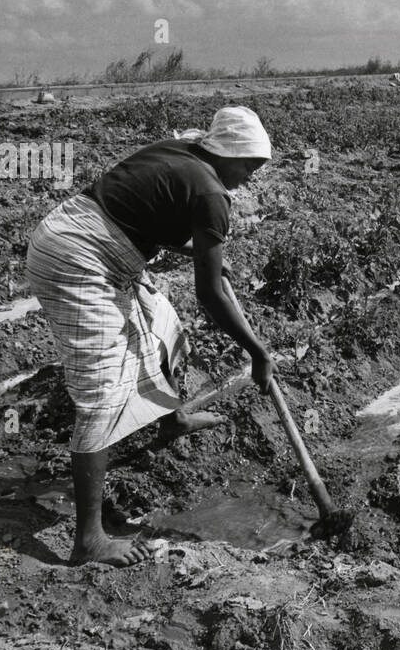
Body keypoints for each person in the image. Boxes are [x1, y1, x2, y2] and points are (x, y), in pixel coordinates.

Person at [25, 106, 276, 566]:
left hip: (91, 239)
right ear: (227, 153)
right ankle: (89, 541)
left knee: (163, 327)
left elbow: (146, 215)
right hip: (76, 259)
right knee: (100, 389)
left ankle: (170, 417)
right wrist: (257, 353)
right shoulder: (210, 191)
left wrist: (207, 251)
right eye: (248, 165)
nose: (250, 176)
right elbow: (210, 295)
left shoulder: (185, 153)